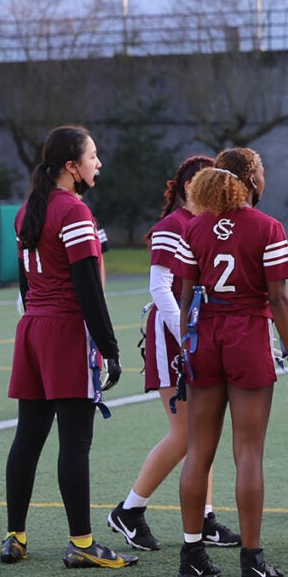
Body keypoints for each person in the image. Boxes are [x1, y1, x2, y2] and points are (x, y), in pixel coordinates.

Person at [0, 124, 137, 570]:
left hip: (33, 327)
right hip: (64, 329)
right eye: (92, 156)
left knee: (28, 435)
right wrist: (109, 345)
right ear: (71, 166)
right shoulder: (75, 212)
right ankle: (82, 542)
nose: (98, 163)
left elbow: (24, 281)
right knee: (75, 441)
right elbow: (86, 288)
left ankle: (15, 535)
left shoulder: (28, 210)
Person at [173, 147, 288, 577]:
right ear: (250, 179)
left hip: (204, 334)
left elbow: (186, 296)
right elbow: (279, 298)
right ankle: (252, 560)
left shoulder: (195, 225)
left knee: (198, 450)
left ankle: (191, 554)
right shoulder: (267, 227)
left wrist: (183, 347)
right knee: (248, 451)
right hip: (247, 333)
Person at [107, 155, 241, 551]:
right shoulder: (173, 226)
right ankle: (129, 510)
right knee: (186, 434)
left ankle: (205, 517)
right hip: (174, 336)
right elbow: (160, 287)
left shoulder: (212, 224)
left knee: (205, 432)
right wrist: (185, 334)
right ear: (188, 186)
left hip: (202, 334)